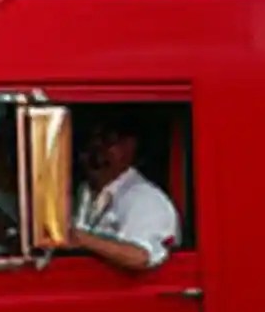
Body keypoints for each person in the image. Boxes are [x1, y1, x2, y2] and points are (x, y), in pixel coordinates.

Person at [65, 113, 179, 271]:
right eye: (88, 145)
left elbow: (140, 256)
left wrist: (82, 239)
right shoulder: (82, 192)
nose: (96, 153)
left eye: (107, 141)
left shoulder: (146, 199)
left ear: (130, 146)